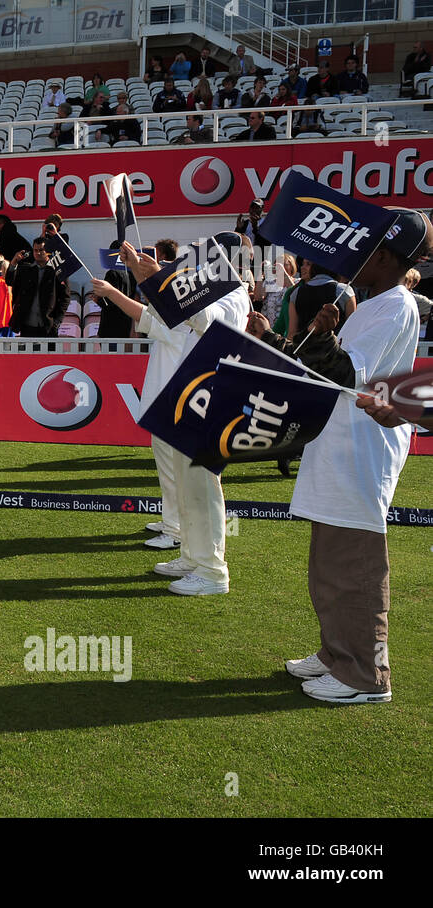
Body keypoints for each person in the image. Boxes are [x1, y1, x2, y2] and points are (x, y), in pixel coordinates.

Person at [247, 209, 433, 703]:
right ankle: (337, 654)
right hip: (339, 442)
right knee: (330, 561)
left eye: (368, 248)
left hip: (363, 448)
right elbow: (324, 370)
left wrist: (326, 336)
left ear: (390, 258)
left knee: (356, 562)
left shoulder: (396, 305)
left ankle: (366, 676)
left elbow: (350, 374)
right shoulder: (373, 303)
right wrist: (279, 338)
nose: (354, 254)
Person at [120, 239, 251, 596]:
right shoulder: (209, 291)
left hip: (212, 399)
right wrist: (144, 272)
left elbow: (204, 321)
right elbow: (167, 312)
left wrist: (161, 275)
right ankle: (193, 557)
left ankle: (212, 570)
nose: (190, 264)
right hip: (190, 397)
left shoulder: (234, 295)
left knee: (203, 488)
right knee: (188, 483)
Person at [88, 237, 187, 551]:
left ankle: (176, 530)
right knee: (167, 467)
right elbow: (151, 307)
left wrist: (112, 292)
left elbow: (144, 315)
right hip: (166, 401)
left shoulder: (181, 321)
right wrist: (134, 267)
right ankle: (172, 520)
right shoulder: (177, 315)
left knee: (175, 470)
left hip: (175, 402)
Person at [288, 262, 355, 340]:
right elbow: (352, 330)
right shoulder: (344, 291)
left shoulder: (296, 292)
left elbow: (291, 334)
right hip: (331, 349)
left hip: (301, 349)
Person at [9, 238, 58, 337]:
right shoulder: (26, 269)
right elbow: (10, 282)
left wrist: (57, 322)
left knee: (48, 352)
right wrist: (13, 263)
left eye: (41, 250)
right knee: (27, 353)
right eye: (35, 250)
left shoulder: (56, 270)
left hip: (47, 325)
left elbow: (65, 297)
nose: (38, 253)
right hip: (27, 325)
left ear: (47, 251)